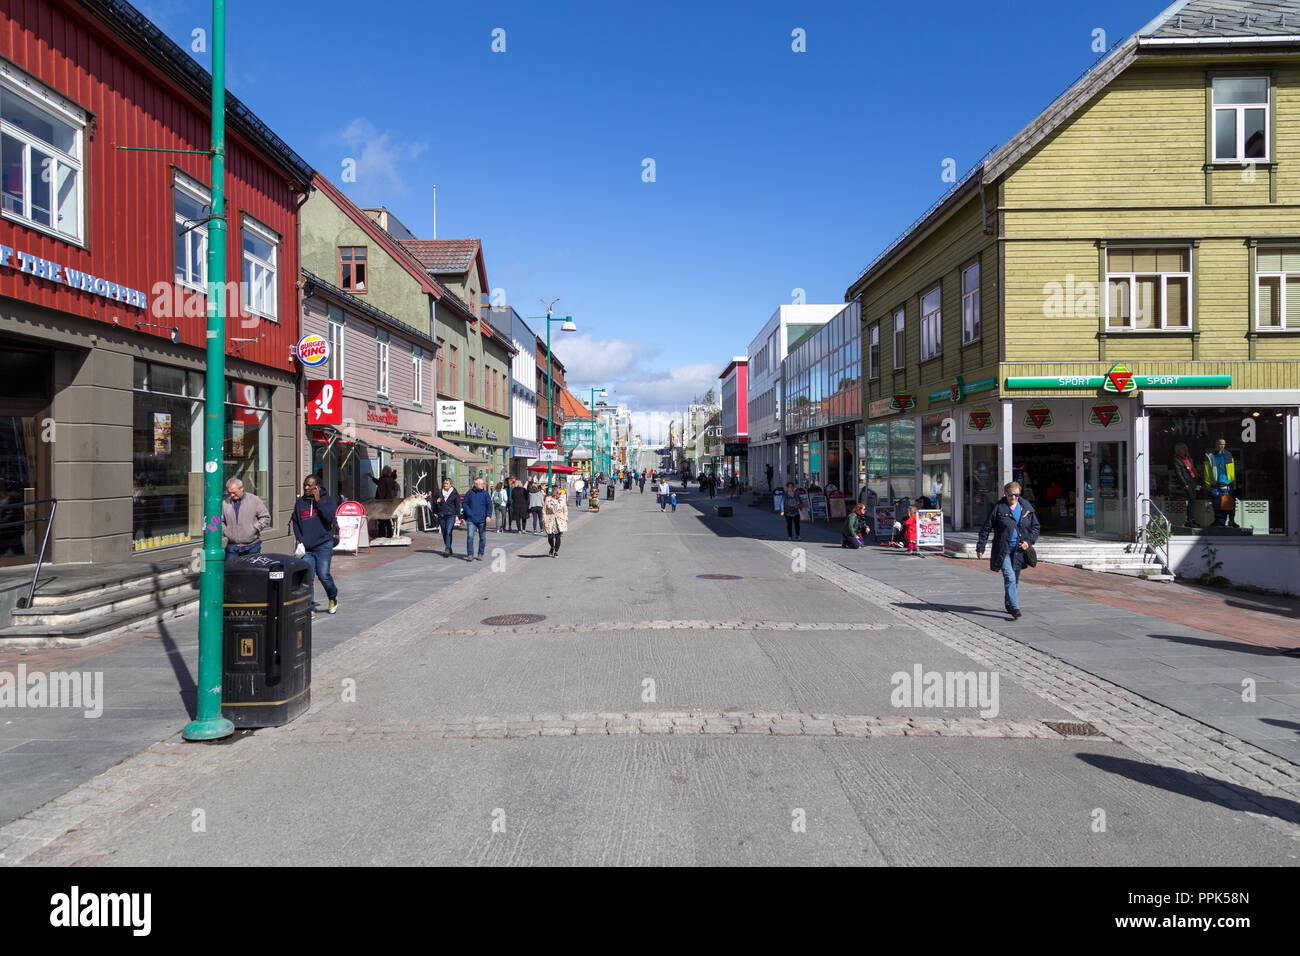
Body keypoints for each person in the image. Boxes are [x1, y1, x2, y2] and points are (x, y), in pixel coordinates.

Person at [976, 481, 1040, 620]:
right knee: (1009, 577)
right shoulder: (999, 508)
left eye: (1017, 495)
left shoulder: (1026, 508)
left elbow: (1035, 528)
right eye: (1011, 495)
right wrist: (980, 547)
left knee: (1015, 580)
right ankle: (1015, 608)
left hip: (1019, 550)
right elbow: (986, 528)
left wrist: (1028, 542)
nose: (1014, 498)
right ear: (1005, 494)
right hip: (1003, 549)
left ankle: (1009, 603)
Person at [291, 475, 339, 614]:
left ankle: (332, 597)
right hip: (307, 547)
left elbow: (329, 518)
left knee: (323, 575)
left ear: (317, 487)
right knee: (308, 577)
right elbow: (295, 521)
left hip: (324, 544)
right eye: (304, 485)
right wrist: (300, 538)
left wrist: (318, 501)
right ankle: (310, 606)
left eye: (309, 485)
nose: (306, 487)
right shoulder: (300, 502)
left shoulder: (327, 500)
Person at [222, 477, 270, 559]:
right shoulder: (225, 503)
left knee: (251, 571)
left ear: (241, 489)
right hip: (232, 547)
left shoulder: (254, 500)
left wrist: (254, 529)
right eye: (229, 493)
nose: (232, 495)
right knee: (232, 571)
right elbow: (220, 521)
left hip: (252, 546)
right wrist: (226, 531)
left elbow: (265, 517)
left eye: (234, 492)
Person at [1202, 438, 1237, 528]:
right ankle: (1219, 521)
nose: (1222, 446)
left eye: (1223, 444)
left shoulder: (1228, 455)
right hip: (1216, 483)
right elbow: (1207, 471)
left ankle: (1231, 521)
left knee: (1230, 503)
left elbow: (1231, 469)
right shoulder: (1210, 456)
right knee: (1217, 504)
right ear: (1216, 444)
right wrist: (1207, 483)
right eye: (1220, 444)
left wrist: (1233, 481)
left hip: (1227, 483)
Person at [461, 476, 492, 561]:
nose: (483, 485)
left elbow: (489, 505)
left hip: (482, 519)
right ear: (476, 484)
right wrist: (469, 513)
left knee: (482, 538)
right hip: (471, 519)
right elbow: (464, 504)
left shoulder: (485, 493)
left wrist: (488, 516)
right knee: (470, 537)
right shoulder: (470, 493)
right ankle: (470, 554)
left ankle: (480, 554)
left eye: (483, 483)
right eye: (481, 484)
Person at [1171, 442, 1199, 528]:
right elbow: (1179, 473)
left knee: (1193, 501)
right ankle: (1189, 520)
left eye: (1185, 449)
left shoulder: (1189, 459)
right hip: (1186, 482)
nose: (1184, 451)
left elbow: (1193, 469)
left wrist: (1197, 479)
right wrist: (1184, 483)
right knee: (1191, 500)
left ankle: (1191, 519)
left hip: (1192, 481)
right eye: (1182, 450)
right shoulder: (1177, 460)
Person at [434, 477, 461, 557]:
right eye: (444, 483)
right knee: (444, 532)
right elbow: (433, 501)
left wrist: (459, 515)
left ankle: (447, 549)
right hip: (441, 515)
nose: (445, 485)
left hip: (451, 515)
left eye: (447, 483)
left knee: (449, 531)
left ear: (451, 484)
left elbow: (457, 505)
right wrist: (436, 501)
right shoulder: (439, 492)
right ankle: (449, 547)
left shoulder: (455, 493)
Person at [543, 484, 568, 557]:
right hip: (550, 520)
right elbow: (544, 510)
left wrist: (565, 518)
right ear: (554, 493)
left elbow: (565, 510)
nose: (560, 494)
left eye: (560, 493)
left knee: (558, 537)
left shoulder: (562, 500)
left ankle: (556, 551)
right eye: (559, 493)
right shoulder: (548, 499)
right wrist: (544, 519)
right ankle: (552, 547)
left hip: (560, 520)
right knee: (550, 536)